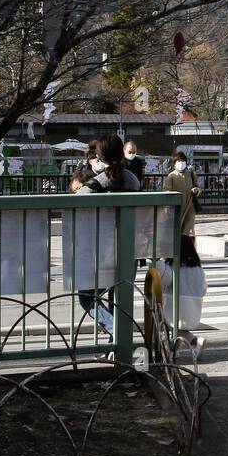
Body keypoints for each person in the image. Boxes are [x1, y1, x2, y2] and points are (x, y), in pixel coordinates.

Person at [76, 134, 141, 336]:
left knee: (86, 297)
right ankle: (116, 348)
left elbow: (77, 202)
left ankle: (118, 332)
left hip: (101, 252)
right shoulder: (132, 180)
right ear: (122, 153)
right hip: (129, 249)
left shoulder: (96, 184)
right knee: (118, 300)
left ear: (100, 157)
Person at [161, 150, 205, 354]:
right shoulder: (171, 177)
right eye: (178, 161)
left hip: (188, 211)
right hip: (176, 212)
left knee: (170, 321)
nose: (181, 164)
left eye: (183, 161)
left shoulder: (190, 174)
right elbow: (203, 288)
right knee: (178, 325)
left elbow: (161, 281)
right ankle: (185, 345)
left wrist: (196, 190)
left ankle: (174, 348)